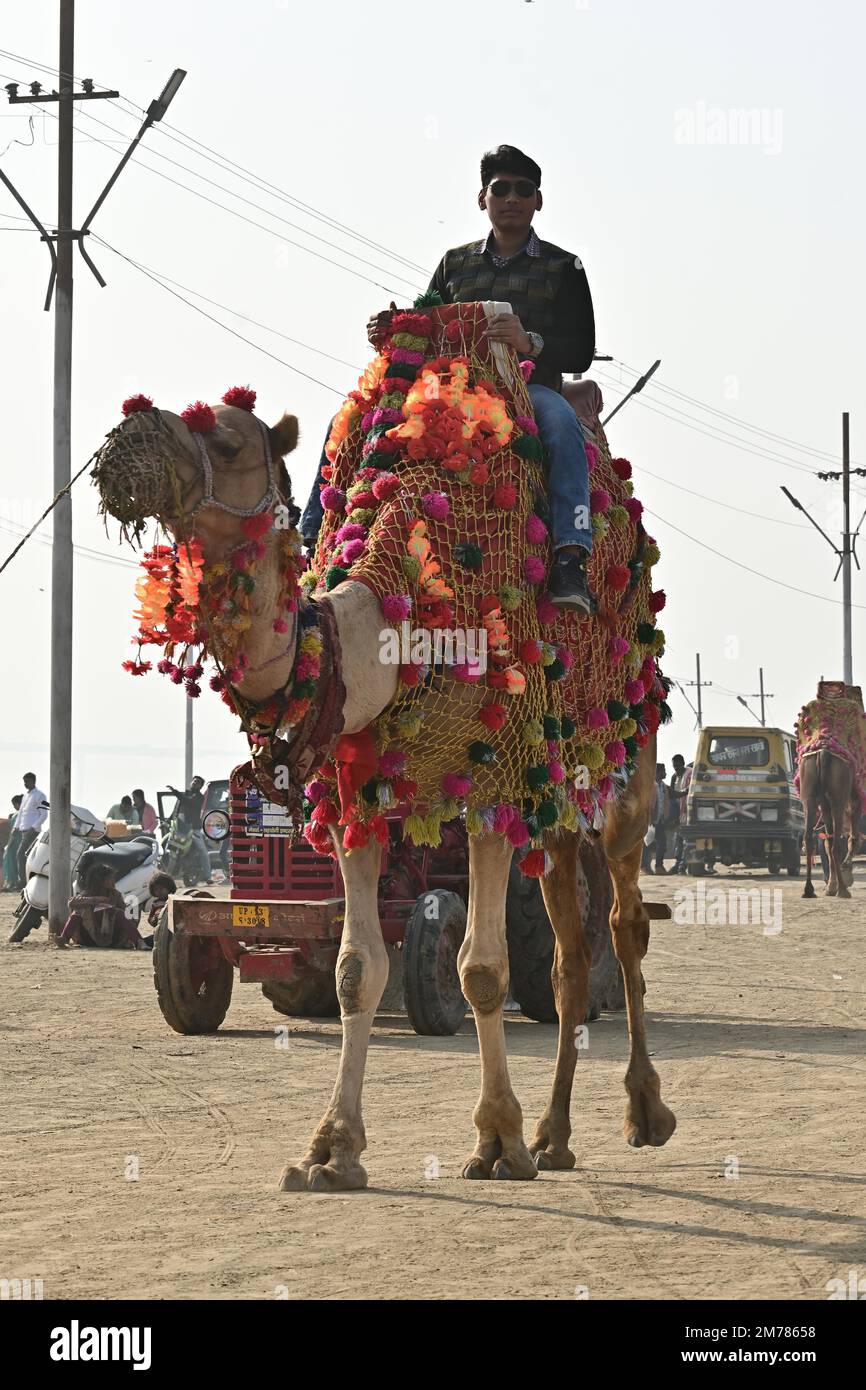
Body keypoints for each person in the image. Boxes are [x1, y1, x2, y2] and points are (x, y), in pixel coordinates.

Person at [304, 144, 597, 612]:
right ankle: (311, 536)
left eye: (524, 190)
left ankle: (569, 557)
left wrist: (530, 342)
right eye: (501, 189)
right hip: (452, 389)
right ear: (483, 199)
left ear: (538, 201)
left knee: (561, 424)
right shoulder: (455, 263)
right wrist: (391, 327)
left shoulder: (565, 267)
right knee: (354, 415)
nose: (512, 198)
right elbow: (426, 319)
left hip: (527, 390)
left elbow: (581, 348)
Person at [59, 864, 146, 950]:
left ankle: (139, 942)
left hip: (112, 937)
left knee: (119, 913)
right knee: (77, 914)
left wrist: (112, 910)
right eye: (111, 878)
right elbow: (71, 904)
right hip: (88, 938)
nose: (114, 881)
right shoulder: (87, 894)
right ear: (101, 881)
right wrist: (95, 900)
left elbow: (125, 915)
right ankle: (63, 939)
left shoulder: (116, 895)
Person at [167, 775, 212, 884]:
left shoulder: (198, 797)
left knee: (203, 851)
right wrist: (167, 821)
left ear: (201, 786)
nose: (194, 783)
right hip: (180, 828)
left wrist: (175, 792)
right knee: (169, 848)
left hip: (193, 829)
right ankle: (166, 874)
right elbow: (176, 811)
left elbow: (189, 802)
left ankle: (208, 876)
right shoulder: (183, 796)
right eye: (194, 781)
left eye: (197, 782)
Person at [17, 772, 47, 888]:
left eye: (27, 781)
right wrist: (16, 826)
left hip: (32, 831)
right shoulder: (26, 796)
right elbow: (21, 813)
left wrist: (33, 827)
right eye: (24, 781)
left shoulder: (40, 795)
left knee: (20, 854)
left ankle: (23, 882)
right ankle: (28, 883)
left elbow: (44, 814)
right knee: (27, 857)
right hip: (23, 831)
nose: (25, 784)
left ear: (33, 781)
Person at [667, 754, 690, 875]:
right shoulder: (674, 777)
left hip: (689, 812)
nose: (675, 768)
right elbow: (671, 795)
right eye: (674, 766)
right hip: (678, 812)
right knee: (678, 840)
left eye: (677, 765)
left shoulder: (690, 774)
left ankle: (682, 866)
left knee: (686, 840)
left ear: (683, 763)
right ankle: (678, 864)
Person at [2, 794, 23, 891]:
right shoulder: (17, 814)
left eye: (14, 804)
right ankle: (11, 882)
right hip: (14, 839)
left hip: (17, 839)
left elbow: (16, 828)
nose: (14, 806)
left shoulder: (21, 814)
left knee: (13, 860)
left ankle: (14, 882)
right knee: (10, 860)